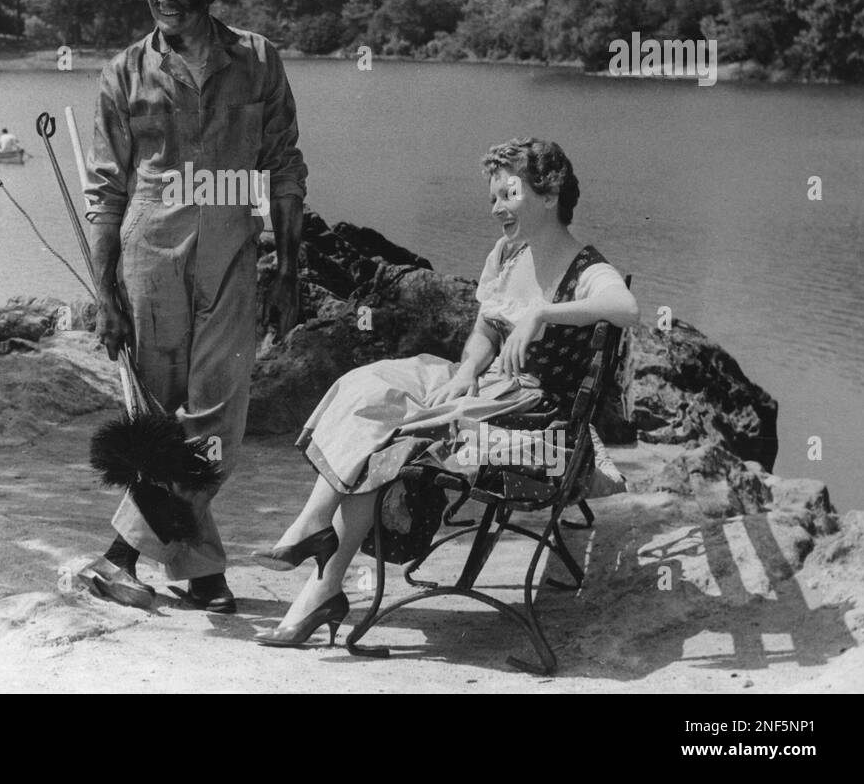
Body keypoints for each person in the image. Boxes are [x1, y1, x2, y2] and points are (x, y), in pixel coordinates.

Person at [251, 138, 638, 647]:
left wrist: (543, 312)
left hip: (528, 413)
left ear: (549, 194)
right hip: (482, 384)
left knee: (390, 434)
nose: (497, 207)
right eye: (493, 196)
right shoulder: (506, 254)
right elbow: (486, 329)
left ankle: (320, 586)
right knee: (368, 386)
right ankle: (312, 526)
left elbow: (625, 308)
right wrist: (468, 369)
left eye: (509, 193)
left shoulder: (585, 268)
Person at [79, 0, 308, 614]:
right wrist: (106, 294)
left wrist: (290, 269)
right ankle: (200, 569)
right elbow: (105, 191)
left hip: (234, 251)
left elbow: (286, 167)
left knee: (218, 421)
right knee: (154, 420)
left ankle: (119, 556)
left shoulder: (259, 62)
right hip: (150, 252)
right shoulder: (122, 72)